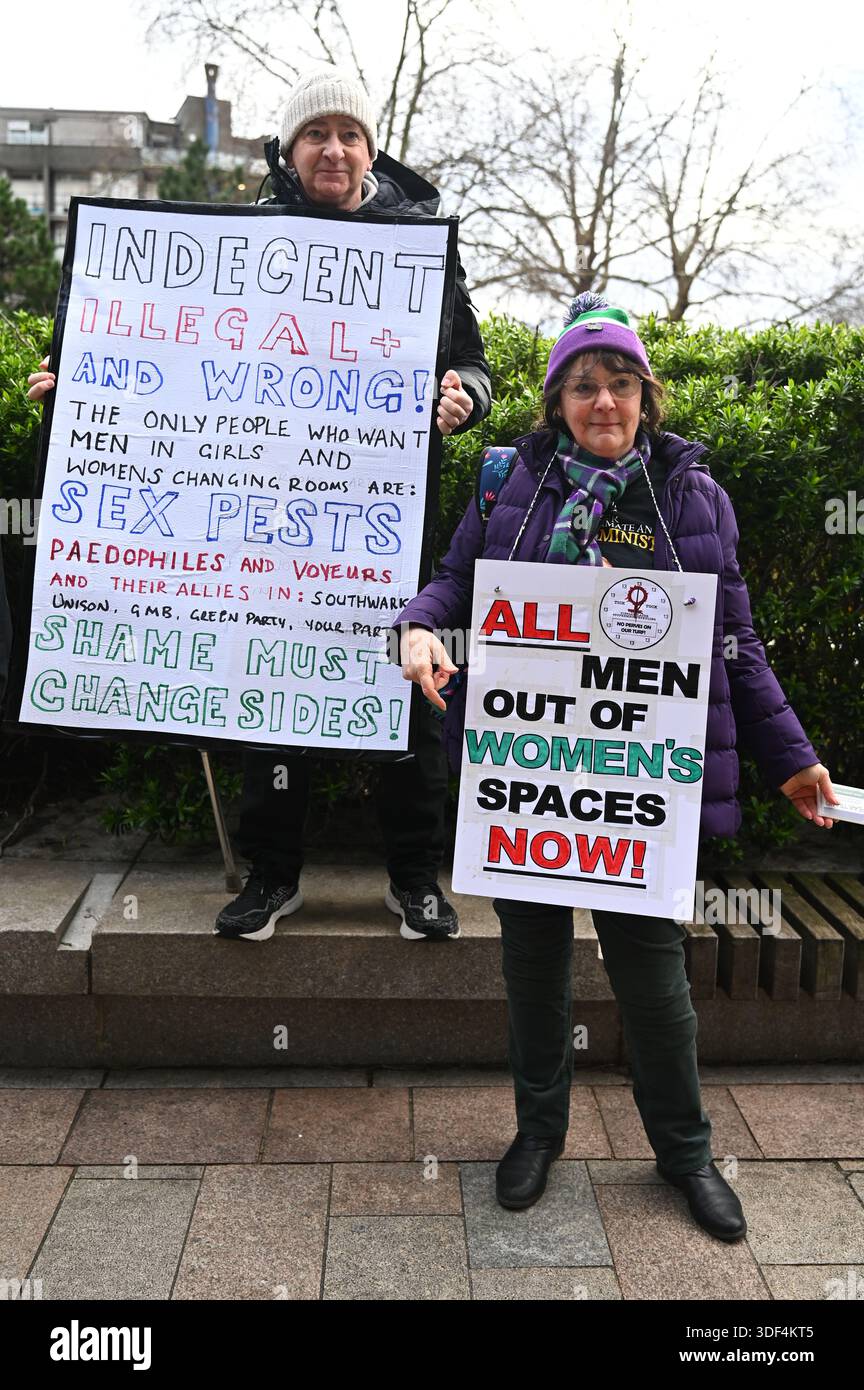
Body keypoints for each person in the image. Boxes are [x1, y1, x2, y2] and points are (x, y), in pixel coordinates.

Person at [395, 294, 839, 1239]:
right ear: (557, 401)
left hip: (643, 792)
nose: (604, 401)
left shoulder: (692, 499)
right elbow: (451, 579)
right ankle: (537, 1136)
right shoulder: (506, 482)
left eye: (621, 384)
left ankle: (685, 1154)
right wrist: (424, 628)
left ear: (648, 396)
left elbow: (736, 646)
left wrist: (792, 760)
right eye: (584, 386)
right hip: (529, 778)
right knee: (532, 968)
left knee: (655, 979)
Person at [28, 65, 493, 946]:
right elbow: (158, 363)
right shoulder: (240, 244)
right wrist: (77, 386)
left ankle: (413, 879)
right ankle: (273, 876)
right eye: (316, 132)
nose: (334, 147)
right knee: (272, 701)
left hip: (383, 529)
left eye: (350, 133)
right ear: (288, 148)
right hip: (268, 538)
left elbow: (472, 361)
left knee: (408, 695)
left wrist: (465, 394)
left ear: (370, 149)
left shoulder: (422, 244)